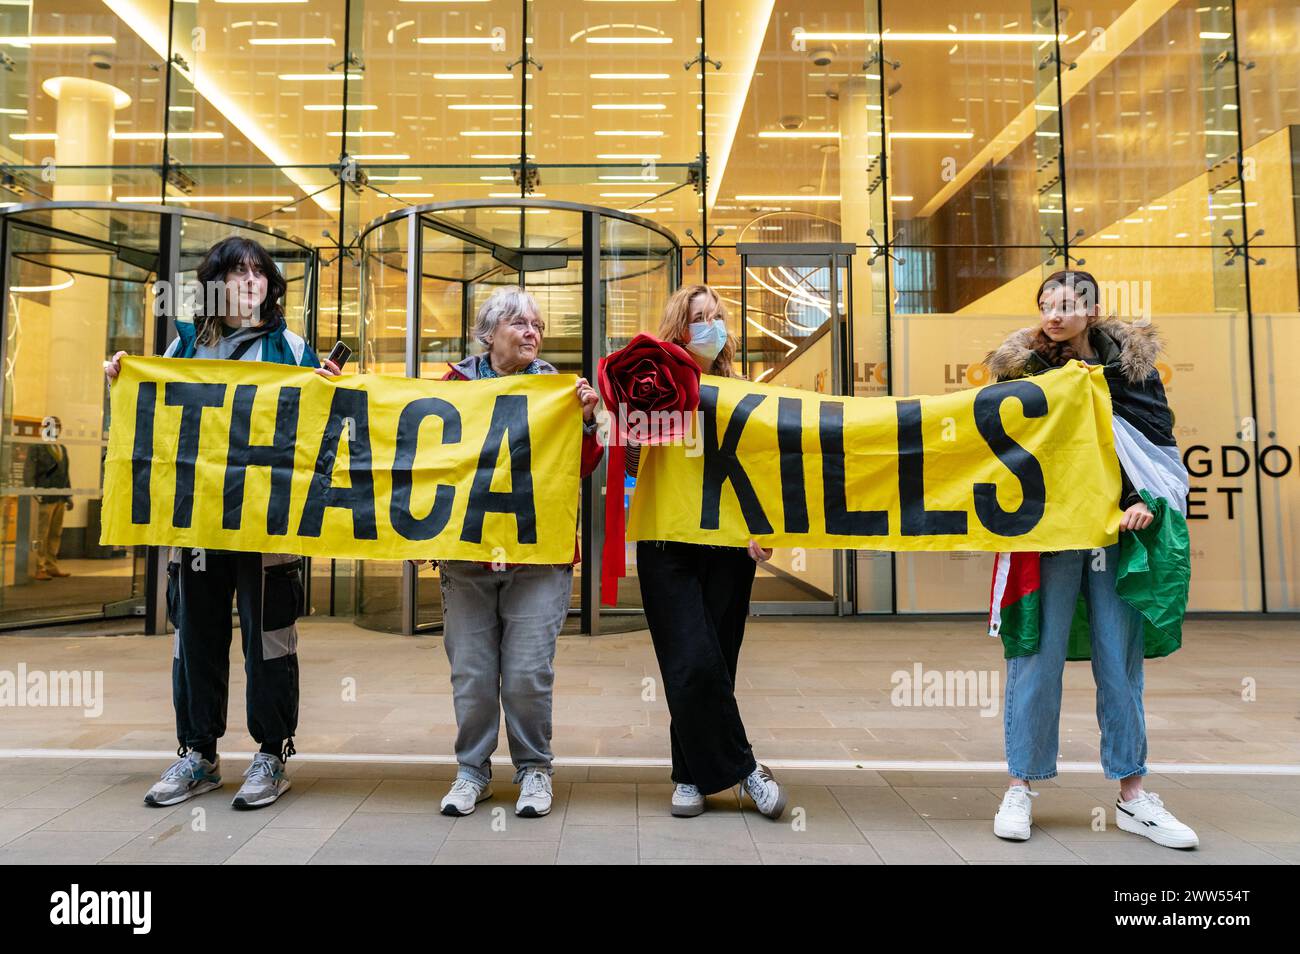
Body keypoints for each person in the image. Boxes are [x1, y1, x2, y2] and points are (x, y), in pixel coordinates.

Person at [104, 235, 340, 810]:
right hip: (198, 523)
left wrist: (331, 394)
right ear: (214, 283)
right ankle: (198, 754)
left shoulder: (293, 348)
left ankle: (270, 753)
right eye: (237, 273)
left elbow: (321, 436)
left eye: (260, 273)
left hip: (267, 525)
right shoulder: (183, 347)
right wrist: (123, 378)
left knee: (271, 640)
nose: (251, 282)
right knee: (196, 639)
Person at [983, 268, 1198, 849]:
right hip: (1050, 535)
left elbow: (1158, 451)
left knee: (1118, 661)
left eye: (1069, 302)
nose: (1055, 312)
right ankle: (1021, 786)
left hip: (1115, 538)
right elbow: (1004, 451)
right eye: (1046, 302)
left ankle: (1133, 795)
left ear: (1093, 310)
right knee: (1036, 657)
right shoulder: (1024, 372)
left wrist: (1146, 502)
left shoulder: (1134, 372)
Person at [435, 285, 602, 819]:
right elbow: (424, 464)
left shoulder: (558, 391)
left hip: (537, 557)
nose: (533, 333)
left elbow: (581, 465)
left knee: (529, 672)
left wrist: (588, 419)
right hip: (468, 559)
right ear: (489, 334)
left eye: (537, 325)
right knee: (473, 672)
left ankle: (534, 768)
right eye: (520, 324)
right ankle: (472, 771)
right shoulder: (454, 386)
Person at [624, 284, 786, 820]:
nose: (710, 326)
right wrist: (646, 399)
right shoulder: (651, 383)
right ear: (679, 326)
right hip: (666, 538)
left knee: (716, 659)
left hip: (727, 541)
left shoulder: (740, 389)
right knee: (688, 657)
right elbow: (628, 463)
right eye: (698, 318)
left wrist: (766, 529)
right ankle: (744, 769)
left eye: (716, 316)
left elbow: (760, 467)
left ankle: (689, 775)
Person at [26, 416, 72, 580]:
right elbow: (29, 471)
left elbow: (65, 474)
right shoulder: (37, 447)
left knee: (55, 533)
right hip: (44, 497)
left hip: (59, 497)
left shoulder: (62, 448)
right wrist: (32, 492)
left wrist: (68, 496)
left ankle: (52, 564)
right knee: (41, 533)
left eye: (58, 426)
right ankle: (39, 566)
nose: (55, 429)